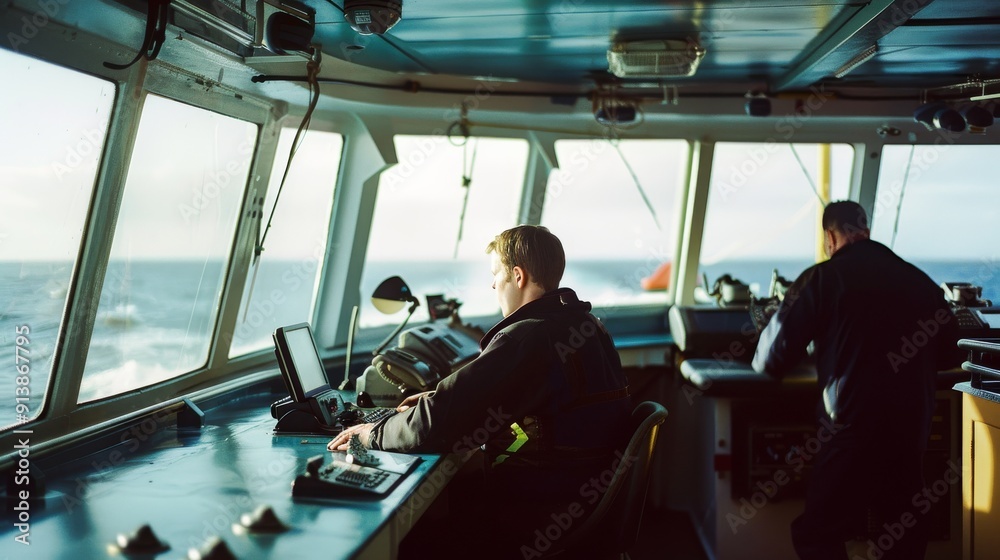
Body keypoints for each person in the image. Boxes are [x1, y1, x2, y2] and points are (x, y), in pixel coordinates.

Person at [329, 225, 632, 558]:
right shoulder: (588, 327)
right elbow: (491, 400)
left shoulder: (529, 338)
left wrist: (373, 432)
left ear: (518, 276)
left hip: (535, 513)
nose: (492, 284)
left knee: (415, 541)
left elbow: (436, 424)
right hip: (577, 498)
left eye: (496, 273)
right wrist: (433, 399)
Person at [751, 200, 961, 560]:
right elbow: (950, 354)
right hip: (910, 433)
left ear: (830, 237)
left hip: (851, 431)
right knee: (902, 535)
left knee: (817, 534)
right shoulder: (920, 282)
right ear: (865, 231)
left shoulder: (822, 279)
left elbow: (771, 360)